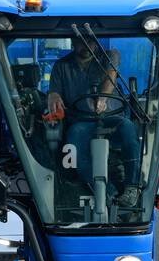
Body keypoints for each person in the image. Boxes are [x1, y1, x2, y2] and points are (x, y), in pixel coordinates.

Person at [46, 38, 142, 208]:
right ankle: (108, 192)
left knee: (128, 128)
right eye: (81, 42)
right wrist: (53, 95)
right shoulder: (61, 66)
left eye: (90, 42)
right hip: (81, 121)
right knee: (73, 144)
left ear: (96, 43)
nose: (86, 46)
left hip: (111, 117)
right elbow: (54, 92)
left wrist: (103, 98)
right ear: (73, 43)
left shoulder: (108, 56)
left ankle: (132, 187)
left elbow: (110, 75)